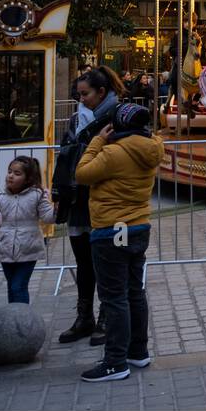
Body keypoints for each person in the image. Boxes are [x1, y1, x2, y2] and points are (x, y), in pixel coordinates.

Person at [75, 104, 164, 382]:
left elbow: (82, 173)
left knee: (114, 297)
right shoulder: (154, 146)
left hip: (111, 228)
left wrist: (98, 140)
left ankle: (115, 361)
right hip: (138, 226)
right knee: (134, 292)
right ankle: (138, 351)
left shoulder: (113, 152)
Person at [51, 66, 124, 346]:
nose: (81, 99)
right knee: (83, 260)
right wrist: (59, 190)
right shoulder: (76, 119)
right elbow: (65, 152)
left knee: (105, 260)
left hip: (103, 196)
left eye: (85, 94)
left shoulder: (116, 117)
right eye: (79, 94)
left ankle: (107, 315)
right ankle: (84, 316)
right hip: (77, 195)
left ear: (101, 92)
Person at [0, 156, 55, 304]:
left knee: (18, 286)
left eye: (17, 173)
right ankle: (13, 318)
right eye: (10, 172)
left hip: (28, 249)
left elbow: (48, 217)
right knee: (11, 287)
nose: (10, 176)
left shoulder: (37, 195)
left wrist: (58, 209)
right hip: (5, 249)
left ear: (28, 179)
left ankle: (21, 321)